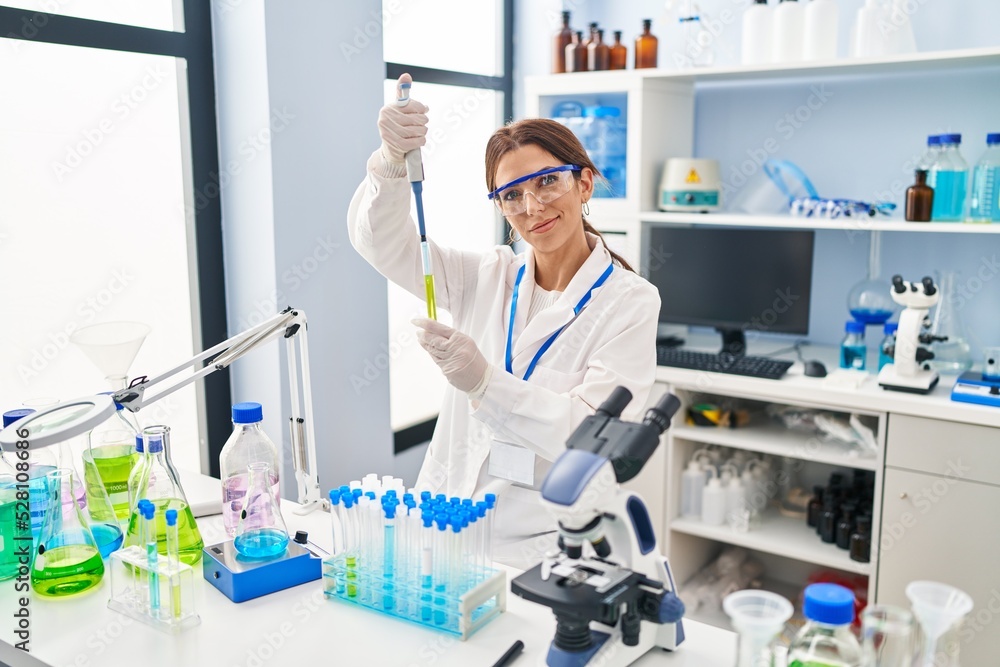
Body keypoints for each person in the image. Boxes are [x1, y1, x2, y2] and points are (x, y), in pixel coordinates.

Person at [347, 74, 660, 567]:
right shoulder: (486, 274)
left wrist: (485, 383)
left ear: (583, 183)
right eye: (511, 195)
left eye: (548, 181)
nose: (533, 206)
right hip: (438, 527)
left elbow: (594, 440)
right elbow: (381, 243)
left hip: (534, 551)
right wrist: (390, 161)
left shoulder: (630, 302)